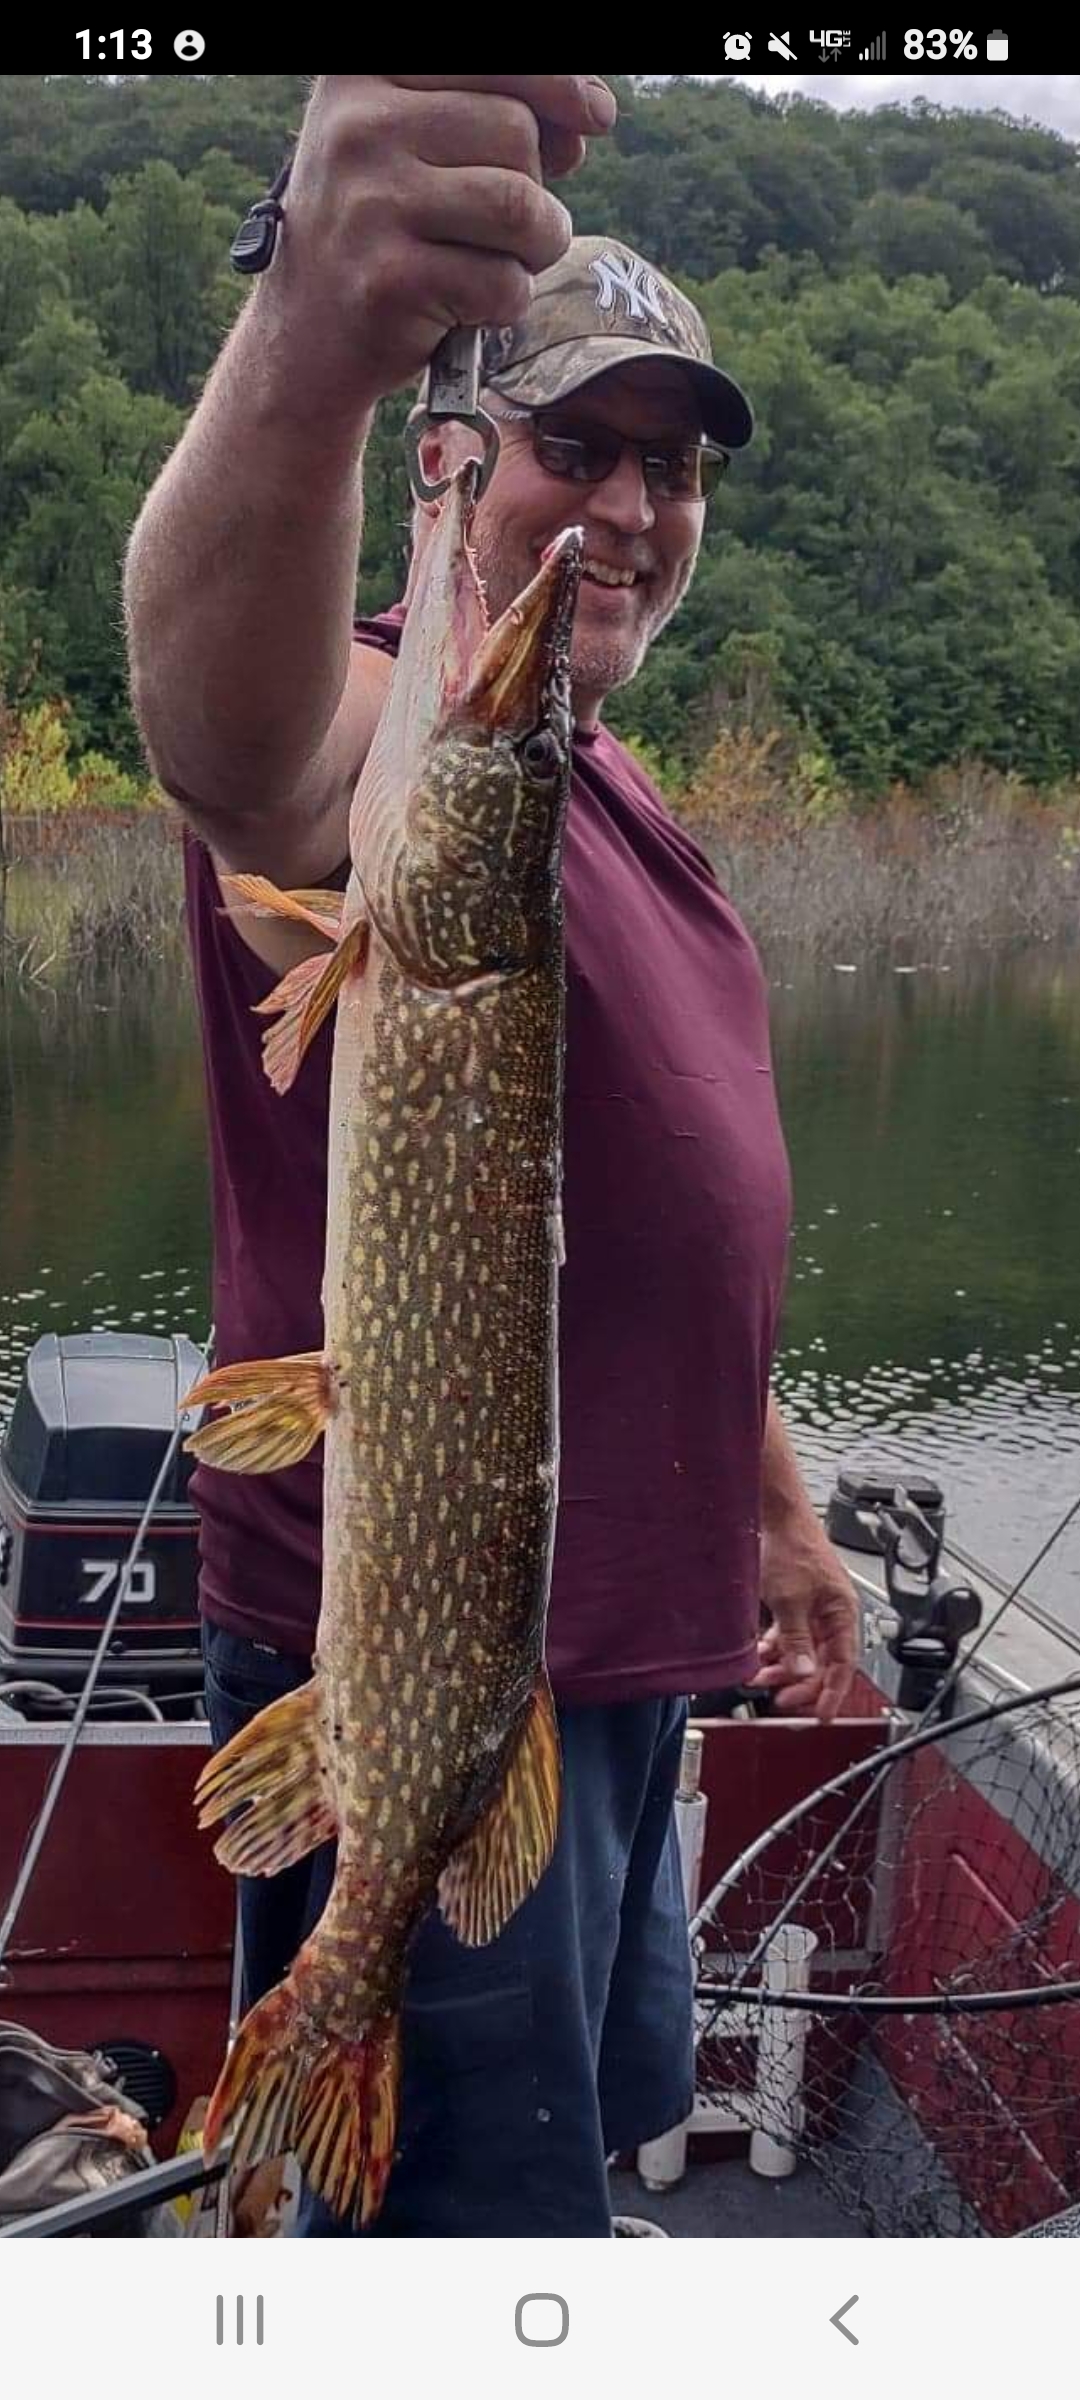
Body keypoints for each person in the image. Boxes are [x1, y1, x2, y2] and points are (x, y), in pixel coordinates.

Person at [124, 74, 859, 2238]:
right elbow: (229, 733)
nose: (633, 506)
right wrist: (319, 337)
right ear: (461, 458)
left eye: (674, 463)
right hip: (435, 1653)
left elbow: (654, 1237)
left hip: (623, 1657)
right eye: (578, 446)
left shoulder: (600, 790)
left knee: (590, 2135)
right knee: (455, 2233)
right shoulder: (405, 746)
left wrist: (782, 1525)